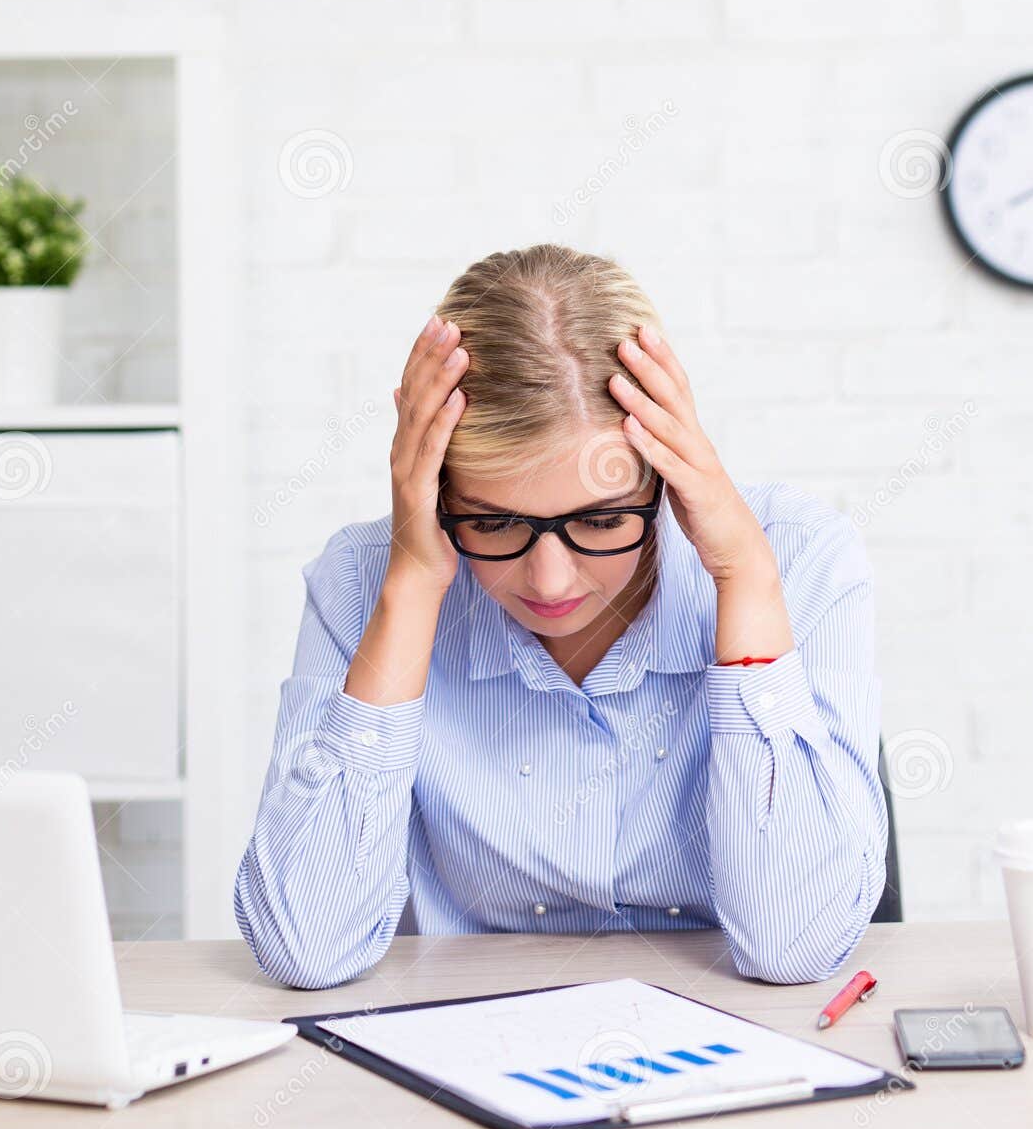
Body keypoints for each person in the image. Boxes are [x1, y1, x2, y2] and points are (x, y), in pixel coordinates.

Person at [235, 244, 887, 990]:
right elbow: (307, 949)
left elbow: (794, 946)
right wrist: (411, 586)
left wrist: (744, 581)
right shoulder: (363, 580)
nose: (549, 580)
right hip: (472, 1023)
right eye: (493, 523)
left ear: (664, 476)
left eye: (602, 521)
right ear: (436, 492)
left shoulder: (797, 557)